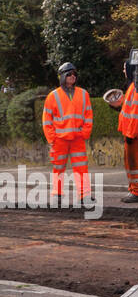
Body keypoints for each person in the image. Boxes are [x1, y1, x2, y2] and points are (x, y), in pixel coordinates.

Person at [42, 62, 93, 203]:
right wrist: (52, 139)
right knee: (58, 168)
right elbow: (47, 120)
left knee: (81, 167)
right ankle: (56, 195)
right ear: (62, 76)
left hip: (77, 138)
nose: (73, 76)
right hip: (60, 140)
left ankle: (85, 196)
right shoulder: (52, 96)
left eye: (74, 74)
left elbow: (88, 116)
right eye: (69, 74)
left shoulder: (84, 94)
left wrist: (84, 133)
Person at [106, 63, 138, 203]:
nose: (123, 70)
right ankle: (134, 191)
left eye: (125, 67)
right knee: (132, 164)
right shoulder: (136, 86)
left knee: (136, 164)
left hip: (136, 135)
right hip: (134, 133)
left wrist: (131, 134)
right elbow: (132, 110)